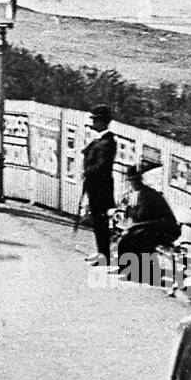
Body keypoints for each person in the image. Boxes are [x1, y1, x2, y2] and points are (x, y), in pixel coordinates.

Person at [116, 164, 181, 283]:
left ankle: (140, 272)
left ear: (137, 181)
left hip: (164, 229)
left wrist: (132, 211)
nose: (132, 184)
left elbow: (142, 216)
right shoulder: (143, 193)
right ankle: (129, 270)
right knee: (128, 239)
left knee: (133, 240)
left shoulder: (146, 194)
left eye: (133, 181)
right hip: (155, 227)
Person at [81, 105, 117, 266]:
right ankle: (101, 252)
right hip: (95, 187)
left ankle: (104, 256)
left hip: (100, 189)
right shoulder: (100, 140)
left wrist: (87, 172)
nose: (93, 123)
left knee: (101, 223)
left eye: (95, 120)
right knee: (97, 223)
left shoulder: (108, 142)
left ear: (103, 122)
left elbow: (101, 166)